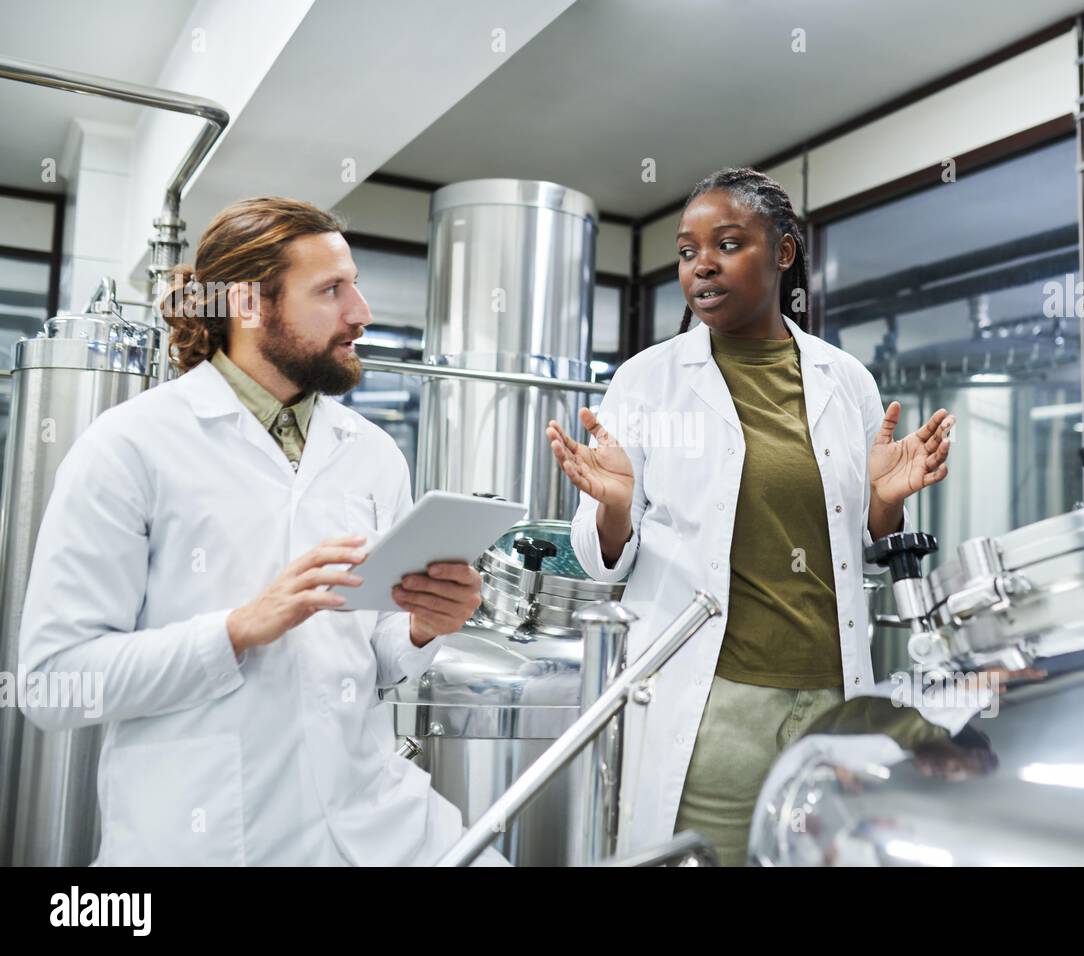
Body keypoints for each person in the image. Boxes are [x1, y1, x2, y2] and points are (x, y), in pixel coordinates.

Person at [18, 196, 498, 866]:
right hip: (210, 836)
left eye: (354, 286)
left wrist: (422, 626)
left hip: (374, 822)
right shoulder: (130, 446)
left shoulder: (372, 452)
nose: (361, 312)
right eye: (332, 290)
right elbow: (51, 683)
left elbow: (376, 658)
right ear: (247, 305)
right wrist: (239, 628)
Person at [548, 168, 954, 865]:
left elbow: (854, 541)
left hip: (834, 698)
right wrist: (614, 508)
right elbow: (597, 557)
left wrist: (883, 505)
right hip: (714, 709)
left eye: (727, 244)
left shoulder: (845, 380)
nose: (700, 264)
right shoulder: (647, 382)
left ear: (783, 253)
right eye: (686, 251)